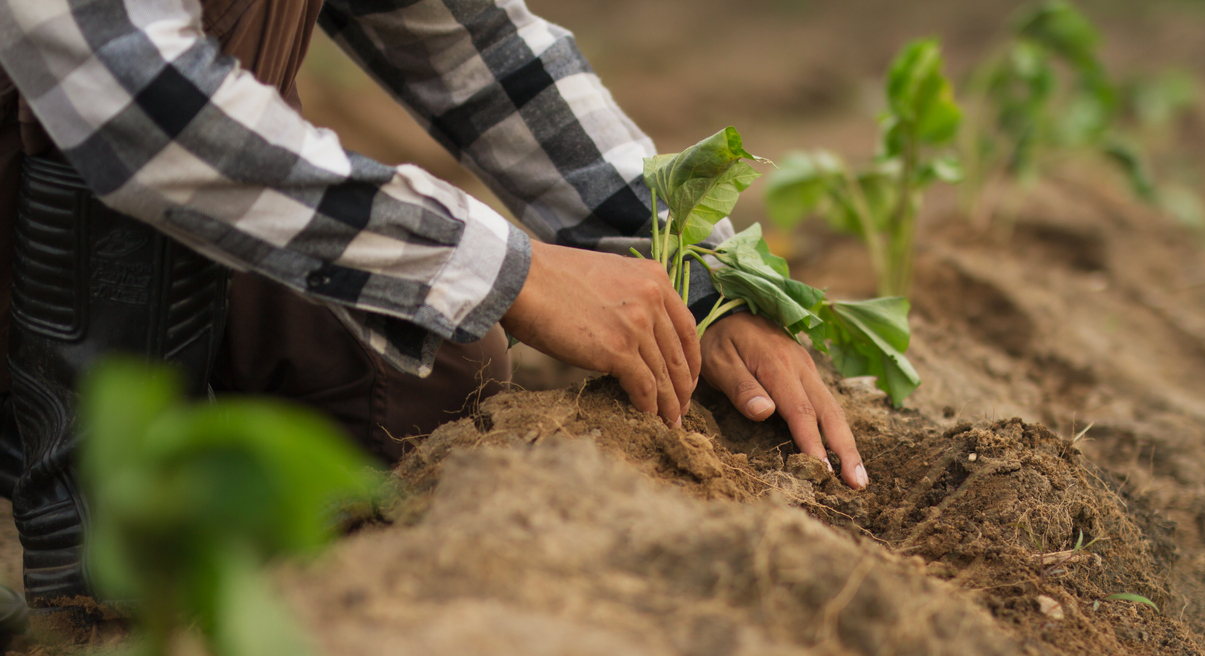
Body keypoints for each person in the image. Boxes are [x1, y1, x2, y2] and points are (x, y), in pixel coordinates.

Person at [0, 0, 867, 618]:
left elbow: (484, 55)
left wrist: (699, 283)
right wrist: (512, 270)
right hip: (92, 157)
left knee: (423, 372)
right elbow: (145, 112)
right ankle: (93, 510)